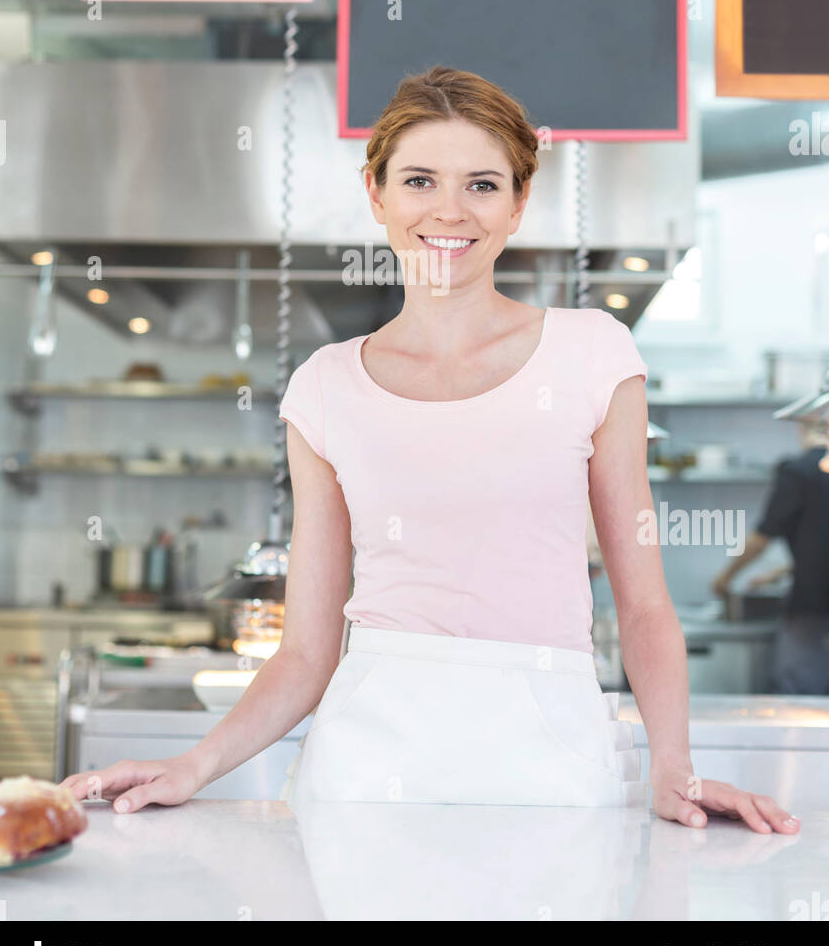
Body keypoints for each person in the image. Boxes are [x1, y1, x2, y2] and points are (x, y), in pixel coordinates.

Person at [61, 66, 799, 834]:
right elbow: (307, 652)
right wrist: (192, 765)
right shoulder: (326, 387)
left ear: (518, 203)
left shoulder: (594, 356)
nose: (450, 210)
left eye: (482, 184)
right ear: (376, 194)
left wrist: (672, 771)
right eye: (419, 180)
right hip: (367, 769)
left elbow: (645, 608)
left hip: (550, 761)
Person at [712, 419, 829, 694]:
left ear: (805, 429)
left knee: (800, 693)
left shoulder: (799, 472)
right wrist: (776, 574)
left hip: (811, 605)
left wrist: (725, 577)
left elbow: (761, 538)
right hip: (812, 599)